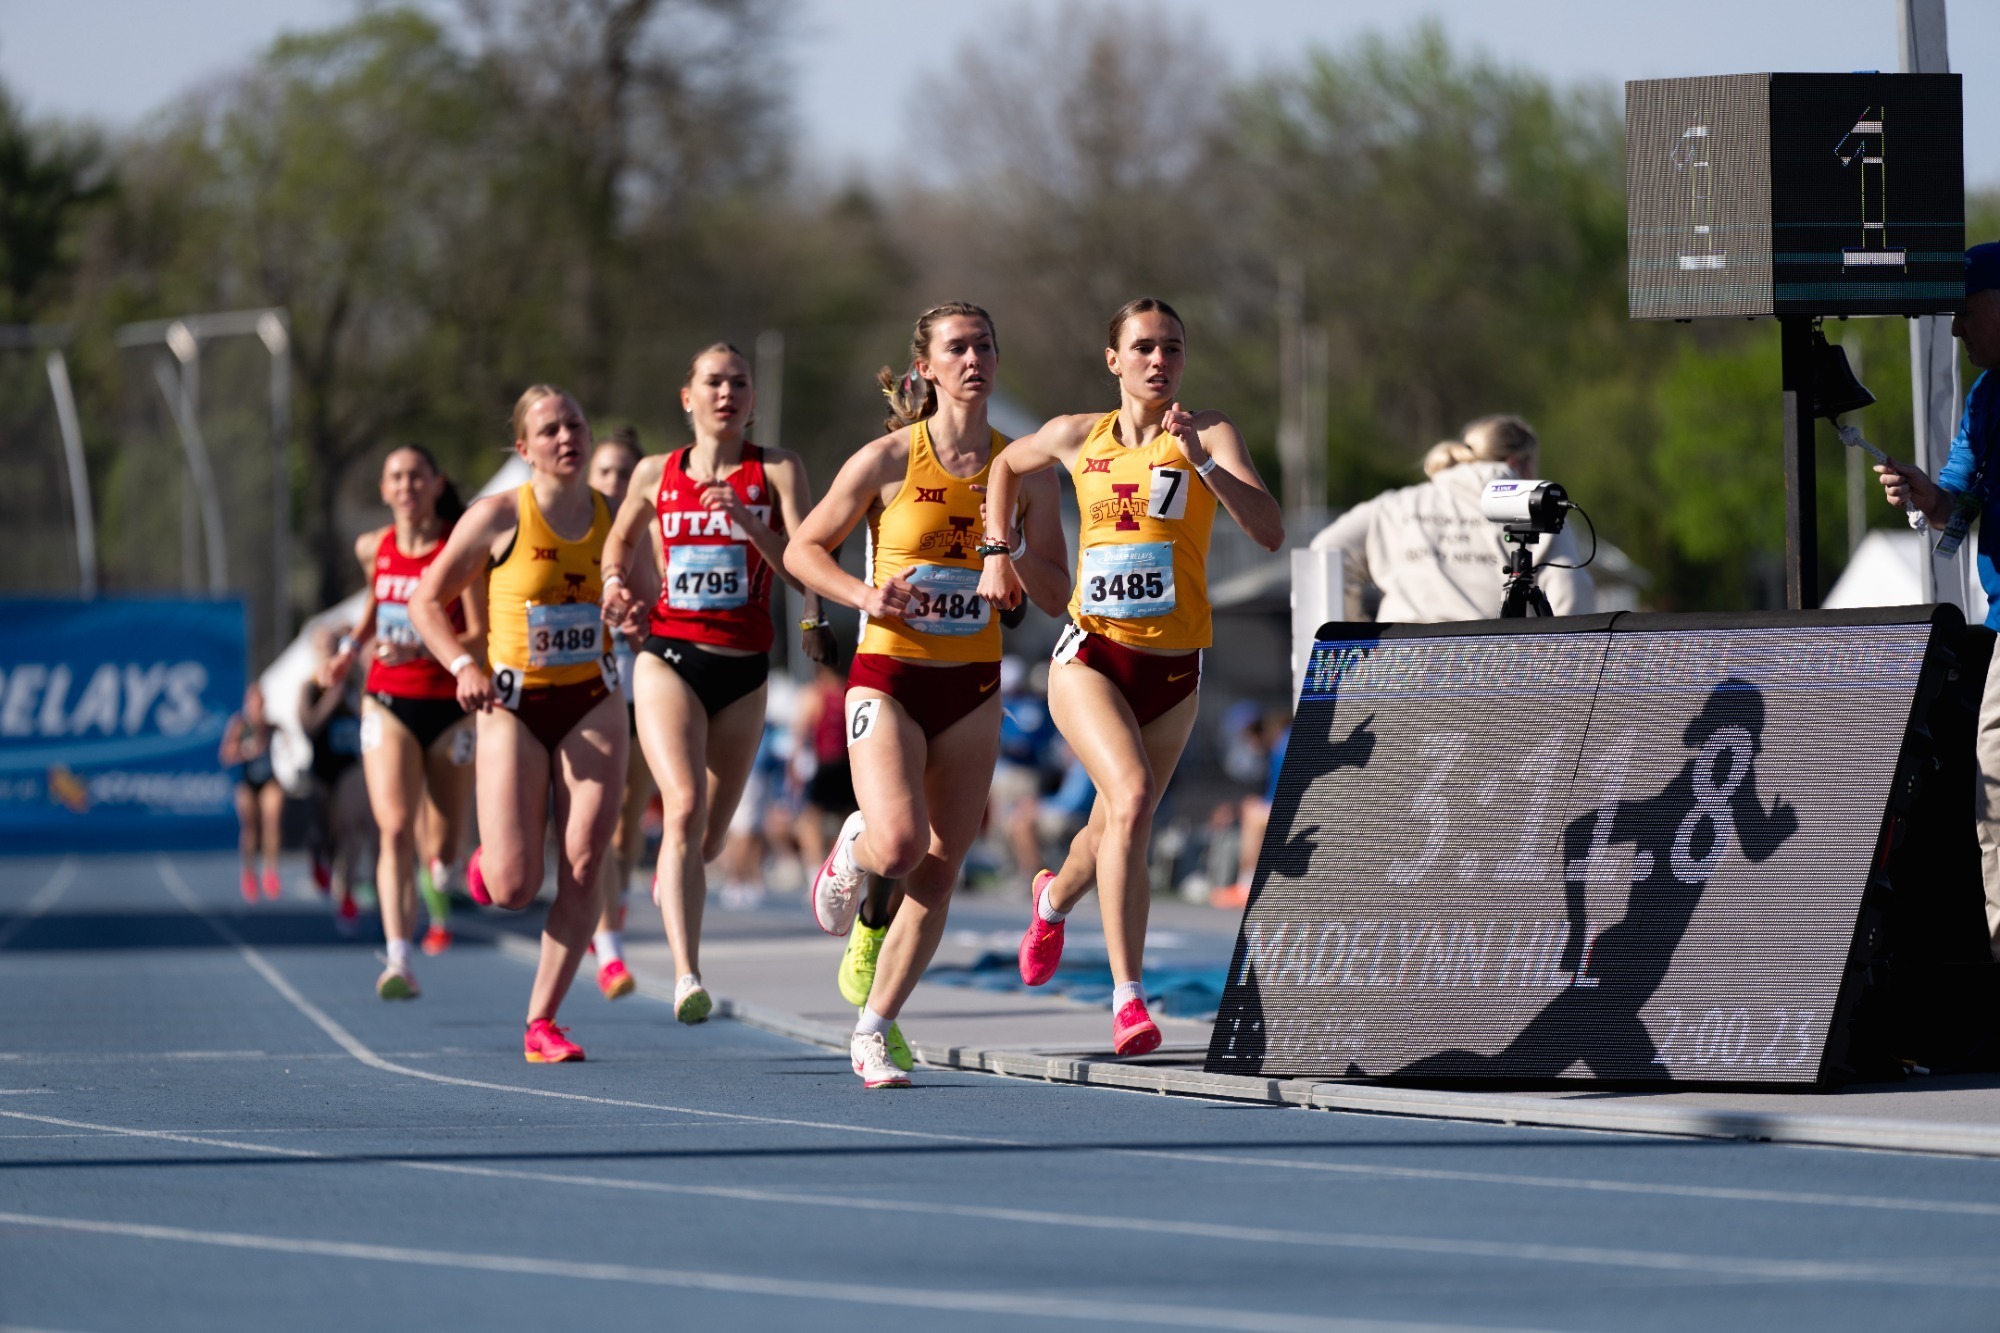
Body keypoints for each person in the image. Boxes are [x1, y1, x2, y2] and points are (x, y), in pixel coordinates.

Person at [979, 297, 1285, 1056]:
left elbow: (1272, 532)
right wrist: (996, 547)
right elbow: (1004, 464)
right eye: (1143, 347)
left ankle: (1051, 899)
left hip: (1175, 671)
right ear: (1113, 359)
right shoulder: (1077, 435)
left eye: (1172, 348)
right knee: (1136, 798)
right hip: (1091, 655)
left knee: (1114, 824)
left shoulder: (1206, 433)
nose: (1159, 361)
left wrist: (1206, 463)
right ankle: (1127, 999)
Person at [786, 302, 1070, 1087]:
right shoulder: (885, 459)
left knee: (941, 869)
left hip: (972, 688)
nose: (974, 358)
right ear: (927, 369)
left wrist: (1005, 554)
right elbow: (803, 547)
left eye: (985, 344)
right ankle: (856, 846)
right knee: (902, 844)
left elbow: (1054, 591)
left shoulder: (1026, 468)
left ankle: (873, 1028)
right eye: (958, 347)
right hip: (891, 676)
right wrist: (862, 594)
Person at [602, 343, 833, 1025]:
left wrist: (749, 522)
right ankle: (685, 973)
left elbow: (807, 569)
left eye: (739, 383)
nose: (726, 392)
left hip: (744, 668)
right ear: (688, 396)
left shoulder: (780, 470)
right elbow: (617, 542)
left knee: (705, 838)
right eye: (713, 381)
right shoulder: (655, 471)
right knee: (680, 806)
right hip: (669, 654)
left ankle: (675, 876)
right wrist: (616, 584)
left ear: (753, 400)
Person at [408, 386, 627, 1064]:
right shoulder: (499, 516)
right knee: (512, 888)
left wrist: (635, 610)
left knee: (587, 860)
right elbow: (424, 599)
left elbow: (648, 592)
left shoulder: (614, 517)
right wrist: (458, 666)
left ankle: (542, 1020)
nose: (568, 436)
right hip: (513, 705)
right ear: (524, 448)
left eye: (576, 423)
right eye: (551, 428)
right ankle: (485, 864)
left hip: (594, 698)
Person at [320, 445, 482, 999]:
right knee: (392, 828)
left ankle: (443, 869)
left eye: (417, 476)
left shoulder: (461, 546)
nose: (407, 485)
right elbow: (372, 612)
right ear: (384, 491)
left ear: (437, 484)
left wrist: (419, 650)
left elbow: (482, 636)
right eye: (396, 477)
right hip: (387, 701)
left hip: (450, 708)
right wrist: (348, 650)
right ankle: (397, 958)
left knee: (443, 841)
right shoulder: (376, 548)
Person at [1876, 241, 2000, 957]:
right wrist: (1927, 498)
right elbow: (1957, 504)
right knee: (1995, 798)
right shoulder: (1987, 398)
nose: (1955, 329)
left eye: (1964, 311)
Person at [1308, 416, 1594, 622]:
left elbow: (1326, 550)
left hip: (1399, 672)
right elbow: (1570, 598)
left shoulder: (1393, 506)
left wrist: (1354, 630)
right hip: (1487, 678)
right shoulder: (1536, 513)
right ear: (1516, 463)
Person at [586, 429, 654, 1001]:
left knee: (629, 822)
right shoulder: (573, 529)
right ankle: (607, 943)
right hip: (587, 695)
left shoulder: (649, 535)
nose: (613, 482)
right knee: (600, 825)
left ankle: (615, 901)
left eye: (623, 473)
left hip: (643, 694)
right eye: (604, 472)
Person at [298, 622, 370, 933]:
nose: (329, 647)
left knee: (350, 828)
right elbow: (308, 726)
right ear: (316, 649)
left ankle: (348, 894)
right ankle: (320, 856)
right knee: (326, 834)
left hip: (349, 765)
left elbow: (371, 694)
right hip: (321, 767)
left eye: (334, 642)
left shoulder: (354, 680)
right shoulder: (309, 686)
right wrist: (331, 699)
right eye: (324, 643)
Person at [219, 682, 284, 904]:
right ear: (248, 704)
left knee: (272, 820)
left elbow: (286, 741)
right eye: (254, 704)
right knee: (250, 827)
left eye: (261, 704)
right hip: (247, 782)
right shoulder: (239, 725)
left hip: (267, 780)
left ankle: (270, 870)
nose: (258, 709)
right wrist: (244, 752)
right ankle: (248, 871)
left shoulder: (270, 726)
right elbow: (226, 756)